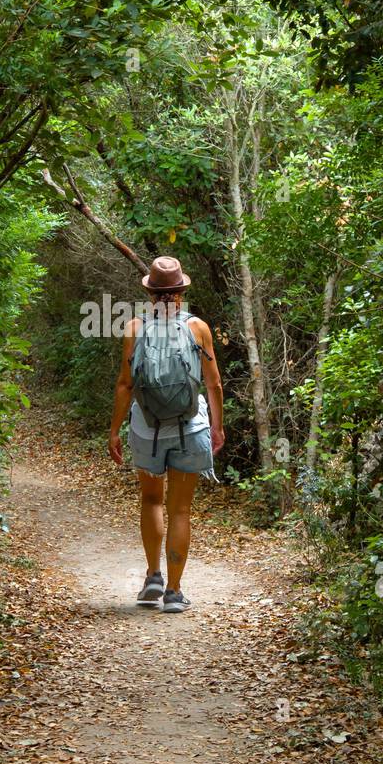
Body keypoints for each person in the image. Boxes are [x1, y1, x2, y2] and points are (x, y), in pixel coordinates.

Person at [108, 256, 224, 613]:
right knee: (181, 510)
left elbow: (126, 384)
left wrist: (114, 431)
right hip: (191, 428)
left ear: (150, 292)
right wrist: (217, 427)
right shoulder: (198, 328)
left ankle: (153, 579)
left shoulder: (135, 328)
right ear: (182, 291)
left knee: (152, 501)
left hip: (147, 429)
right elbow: (213, 382)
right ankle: (174, 592)